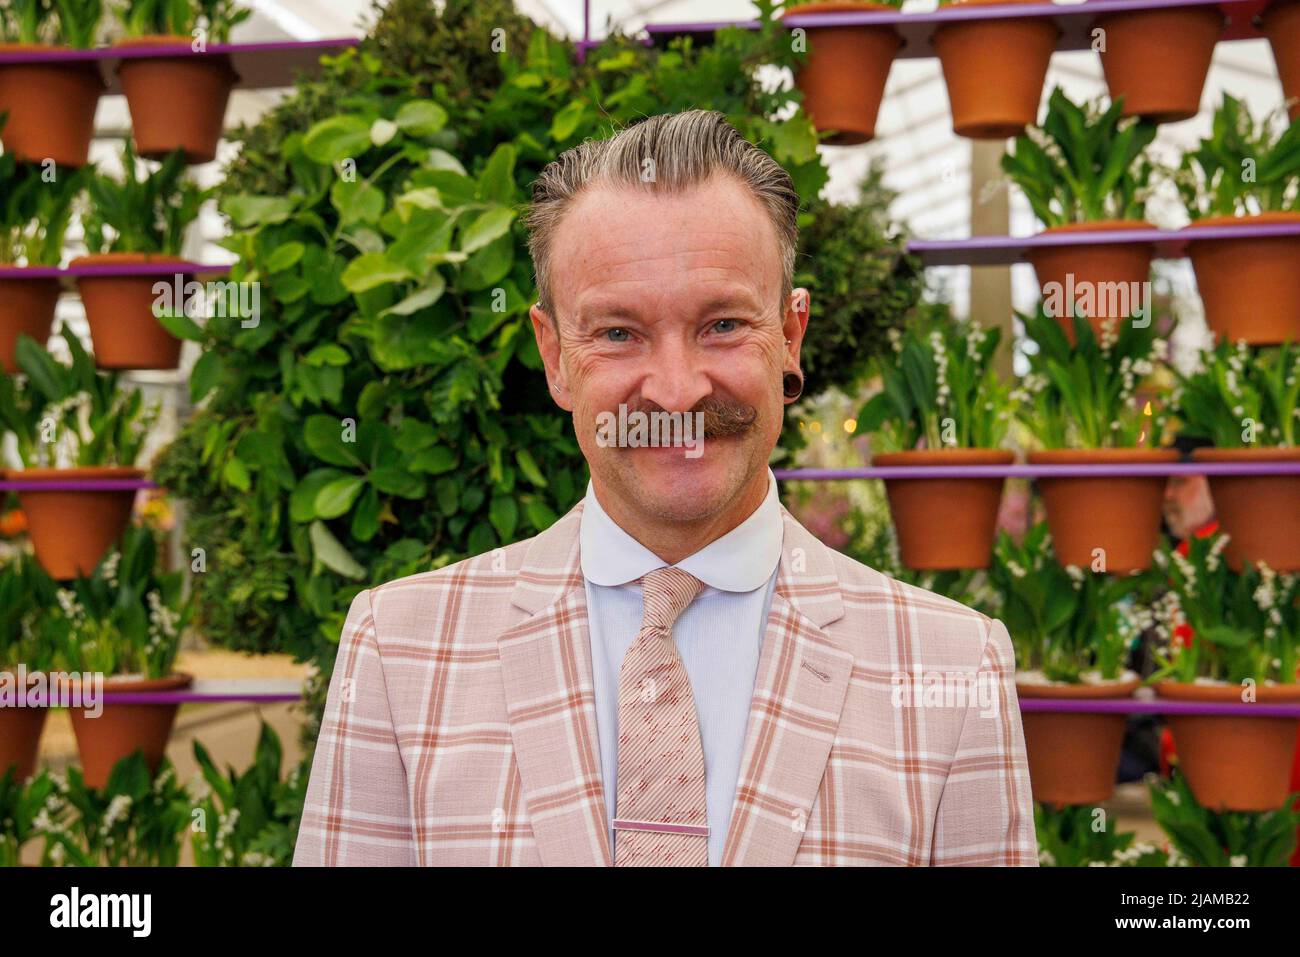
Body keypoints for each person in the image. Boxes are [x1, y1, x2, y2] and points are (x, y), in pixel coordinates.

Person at [293, 109, 1036, 867]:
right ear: (554, 357)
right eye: (618, 332)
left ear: (791, 337)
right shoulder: (400, 648)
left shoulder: (951, 668)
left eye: (721, 325)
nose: (677, 393)